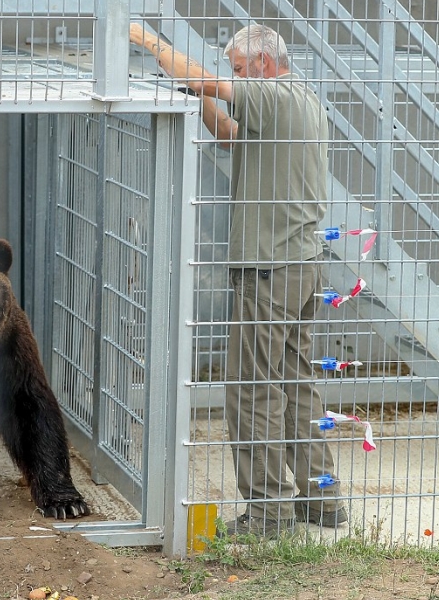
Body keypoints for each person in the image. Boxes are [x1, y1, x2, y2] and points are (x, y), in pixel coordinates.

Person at [130, 22, 347, 538]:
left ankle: (269, 515)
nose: (232, 77)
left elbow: (210, 82)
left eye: (237, 69)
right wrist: (196, 95)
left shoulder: (275, 94)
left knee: (251, 389)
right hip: (300, 263)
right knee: (295, 382)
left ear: (263, 65)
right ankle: (323, 499)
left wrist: (148, 41)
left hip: (270, 267)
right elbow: (227, 132)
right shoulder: (296, 102)